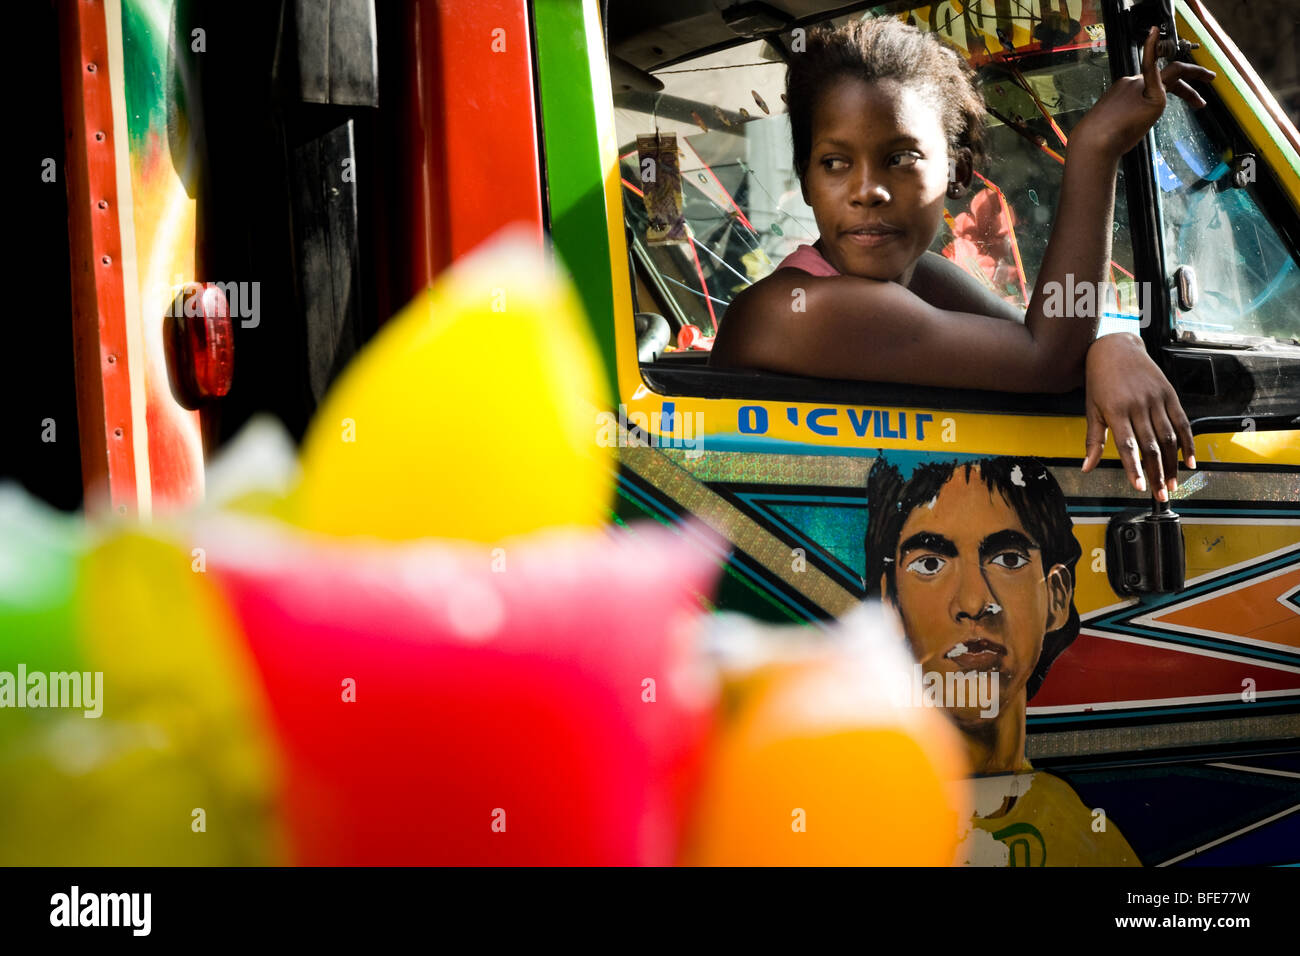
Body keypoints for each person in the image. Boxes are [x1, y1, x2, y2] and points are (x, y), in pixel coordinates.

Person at [709, 18, 1214, 503]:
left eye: (901, 158)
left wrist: (1109, 346)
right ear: (806, 181)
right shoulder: (805, 310)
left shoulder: (923, 277)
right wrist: (1095, 147)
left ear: (959, 172)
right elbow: (1049, 359)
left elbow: (1049, 342)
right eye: (835, 164)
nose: (866, 192)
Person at [863, 455, 1139, 865]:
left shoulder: (1085, 836)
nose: (975, 602)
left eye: (1008, 559)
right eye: (930, 563)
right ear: (889, 602)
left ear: (1057, 597)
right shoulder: (858, 828)